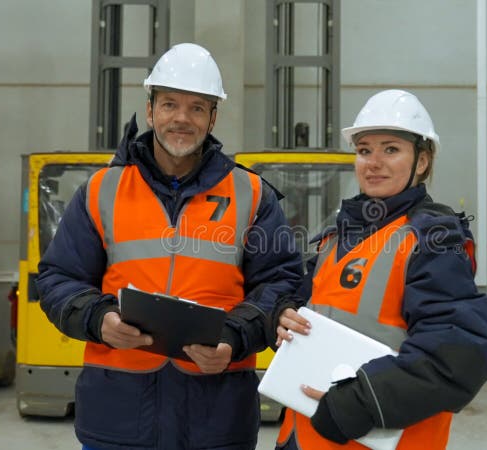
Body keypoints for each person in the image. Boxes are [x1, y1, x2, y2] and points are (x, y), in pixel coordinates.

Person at [36, 42, 303, 450]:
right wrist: (99, 319)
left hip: (217, 418)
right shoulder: (102, 190)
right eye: (169, 104)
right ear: (150, 110)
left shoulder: (251, 194)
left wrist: (232, 339)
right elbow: (58, 278)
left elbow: (281, 285)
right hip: (117, 417)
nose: (182, 118)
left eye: (197, 107)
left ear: (213, 118)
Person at [272, 89, 487, 449]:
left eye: (390, 149)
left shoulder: (432, 239)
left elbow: (461, 356)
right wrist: (281, 314)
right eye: (364, 151)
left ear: (421, 162)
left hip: (365, 435)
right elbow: (302, 301)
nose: (373, 162)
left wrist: (361, 401)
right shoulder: (339, 235)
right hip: (304, 435)